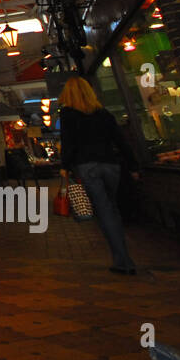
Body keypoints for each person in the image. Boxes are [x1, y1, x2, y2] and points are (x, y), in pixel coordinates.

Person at [59, 76, 141, 274]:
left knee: (104, 211)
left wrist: (65, 166)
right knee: (112, 208)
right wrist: (133, 166)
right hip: (110, 164)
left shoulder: (68, 114)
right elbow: (120, 141)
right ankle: (123, 257)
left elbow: (68, 142)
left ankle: (123, 261)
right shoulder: (103, 114)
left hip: (87, 166)